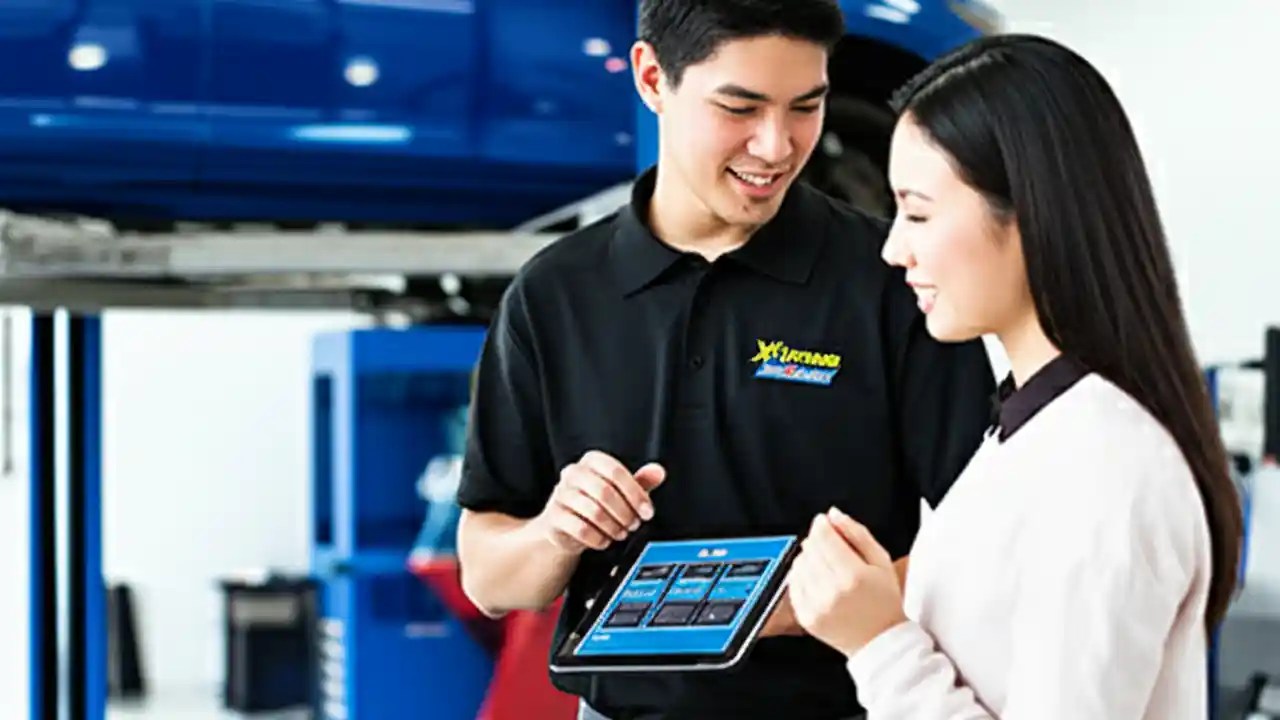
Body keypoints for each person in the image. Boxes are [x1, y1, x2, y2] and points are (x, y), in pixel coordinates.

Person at [453, 1, 996, 718]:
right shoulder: (555, 295)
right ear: (652, 78)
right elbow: (490, 579)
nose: (775, 146)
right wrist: (557, 532)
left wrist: (781, 605)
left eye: (807, 106)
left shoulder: (892, 280)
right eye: (739, 107)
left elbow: (986, 553)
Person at [786, 33, 1245, 719]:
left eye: (916, 212)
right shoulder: (1034, 431)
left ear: (1028, 212)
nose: (892, 247)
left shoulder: (1106, 467)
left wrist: (877, 642)